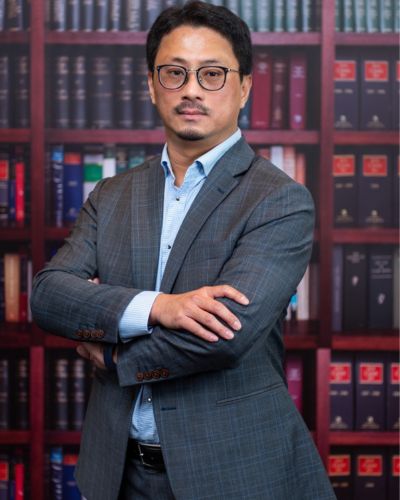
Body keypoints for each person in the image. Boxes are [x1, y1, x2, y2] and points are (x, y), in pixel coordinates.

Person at [31, 2, 335, 499]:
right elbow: (48, 297)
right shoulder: (112, 195)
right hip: (117, 472)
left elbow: (225, 338)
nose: (191, 89)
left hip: (231, 474)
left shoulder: (279, 199)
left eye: (212, 74)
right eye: (174, 73)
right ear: (152, 86)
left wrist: (114, 357)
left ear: (244, 87)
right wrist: (159, 308)